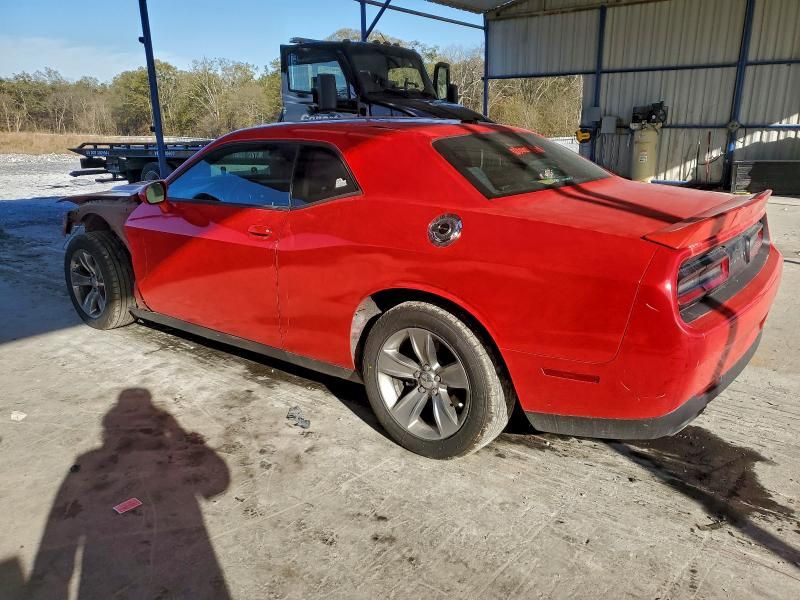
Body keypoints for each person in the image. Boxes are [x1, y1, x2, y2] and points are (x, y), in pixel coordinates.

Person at [25, 388, 231, 599]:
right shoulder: (90, 463)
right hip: (122, 570)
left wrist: (178, 435)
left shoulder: (94, 461)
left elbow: (217, 484)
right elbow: (216, 486)